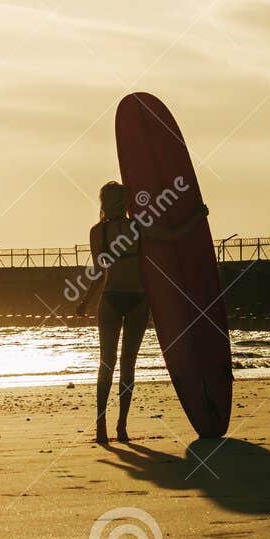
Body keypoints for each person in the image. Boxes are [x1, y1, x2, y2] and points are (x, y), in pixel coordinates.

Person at [78, 180, 209, 444]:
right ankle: (120, 426)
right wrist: (197, 217)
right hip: (137, 299)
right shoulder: (137, 227)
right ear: (123, 202)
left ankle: (102, 425)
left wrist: (85, 300)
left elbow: (97, 272)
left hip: (111, 298)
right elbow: (172, 236)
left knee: (107, 364)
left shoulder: (98, 232)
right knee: (126, 366)